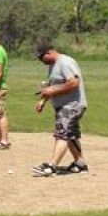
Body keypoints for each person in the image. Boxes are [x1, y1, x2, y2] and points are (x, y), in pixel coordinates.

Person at [32, 44, 88, 176]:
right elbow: (54, 86)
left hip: (72, 105)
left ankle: (52, 166)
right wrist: (43, 100)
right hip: (64, 105)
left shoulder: (65, 62)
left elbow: (74, 83)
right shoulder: (53, 65)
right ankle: (80, 163)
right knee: (70, 135)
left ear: (49, 52)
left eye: (41, 57)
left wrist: (52, 90)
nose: (40, 61)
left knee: (62, 134)